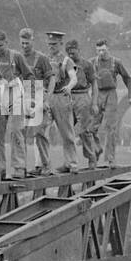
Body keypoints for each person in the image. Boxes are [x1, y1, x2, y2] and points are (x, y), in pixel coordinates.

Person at [0, 30, 30, 180]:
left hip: (15, 93)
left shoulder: (16, 56)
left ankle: (19, 167)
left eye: (0, 45)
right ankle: (0, 168)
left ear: (7, 43)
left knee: (16, 130)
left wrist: (31, 98)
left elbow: (29, 75)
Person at [91, 39, 131, 167]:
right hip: (97, 94)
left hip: (111, 94)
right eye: (98, 50)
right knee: (91, 127)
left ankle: (110, 158)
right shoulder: (92, 62)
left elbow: (128, 78)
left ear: (108, 49)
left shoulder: (116, 62)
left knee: (110, 128)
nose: (101, 53)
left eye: (103, 50)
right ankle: (96, 149)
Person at [18, 28, 55, 175]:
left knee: (40, 133)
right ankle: (22, 168)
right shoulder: (18, 58)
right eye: (22, 43)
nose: (25, 46)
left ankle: (45, 165)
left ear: (32, 41)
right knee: (21, 134)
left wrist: (47, 99)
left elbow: (51, 79)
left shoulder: (41, 58)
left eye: (27, 43)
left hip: (39, 96)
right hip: (23, 97)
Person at [43, 31, 80, 172]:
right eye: (49, 44)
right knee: (41, 131)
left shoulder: (66, 61)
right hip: (47, 97)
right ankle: (43, 165)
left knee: (67, 133)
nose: (51, 46)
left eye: (54, 44)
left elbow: (74, 78)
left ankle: (71, 163)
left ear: (60, 44)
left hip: (61, 97)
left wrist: (69, 87)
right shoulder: (44, 59)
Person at [65, 38, 100, 168]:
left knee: (83, 130)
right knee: (68, 130)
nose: (70, 55)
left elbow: (94, 84)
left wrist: (95, 103)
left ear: (79, 50)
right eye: (68, 53)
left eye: (73, 52)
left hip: (83, 97)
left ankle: (92, 157)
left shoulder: (87, 65)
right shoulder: (65, 64)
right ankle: (69, 162)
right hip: (68, 97)